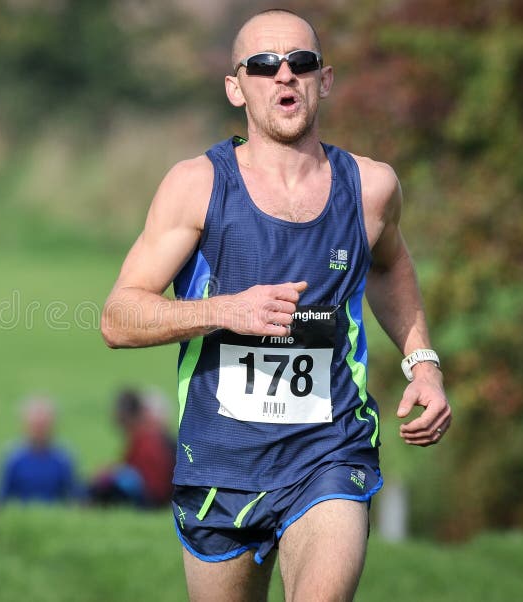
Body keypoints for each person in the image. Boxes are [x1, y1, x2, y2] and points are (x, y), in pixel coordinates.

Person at [101, 8, 451, 602]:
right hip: (220, 461)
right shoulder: (196, 186)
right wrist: (224, 310)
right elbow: (119, 317)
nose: (284, 74)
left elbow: (389, 264)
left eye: (301, 62)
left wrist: (423, 362)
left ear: (324, 79)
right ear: (236, 87)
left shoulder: (371, 188)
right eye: (264, 65)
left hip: (329, 449)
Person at [88, 388, 176, 507]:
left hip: (152, 498)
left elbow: (139, 474)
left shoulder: (147, 439)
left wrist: (111, 474)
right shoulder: (148, 438)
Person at [0, 396, 77, 507]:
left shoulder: (63, 458)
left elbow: (75, 497)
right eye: (36, 425)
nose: (40, 430)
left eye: (44, 424)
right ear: (24, 425)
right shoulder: (13, 459)